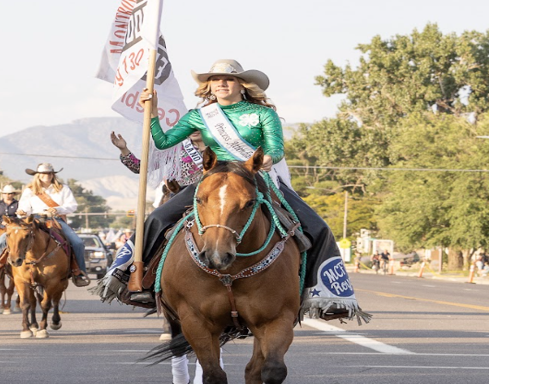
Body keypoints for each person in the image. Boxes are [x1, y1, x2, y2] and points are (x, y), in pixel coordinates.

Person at [119, 59, 367, 322]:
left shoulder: (263, 114)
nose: (222, 83)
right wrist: (154, 113)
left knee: (318, 227)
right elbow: (163, 141)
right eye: (216, 79)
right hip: (214, 177)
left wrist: (267, 159)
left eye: (229, 79)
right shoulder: (199, 116)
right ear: (209, 86)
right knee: (157, 219)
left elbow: (275, 148)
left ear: (242, 84)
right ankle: (134, 279)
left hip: (254, 174)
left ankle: (323, 293)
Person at [11, 163, 92, 288]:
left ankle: (79, 272)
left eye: (49, 173)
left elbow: (72, 206)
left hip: (55, 220)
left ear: (53, 174)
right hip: (35, 219)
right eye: (43, 173)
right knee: (11, 239)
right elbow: (24, 207)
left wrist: (58, 209)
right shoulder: (30, 190)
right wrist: (22, 212)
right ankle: (1, 267)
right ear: (38, 175)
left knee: (77, 243)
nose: (46, 176)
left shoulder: (62, 188)